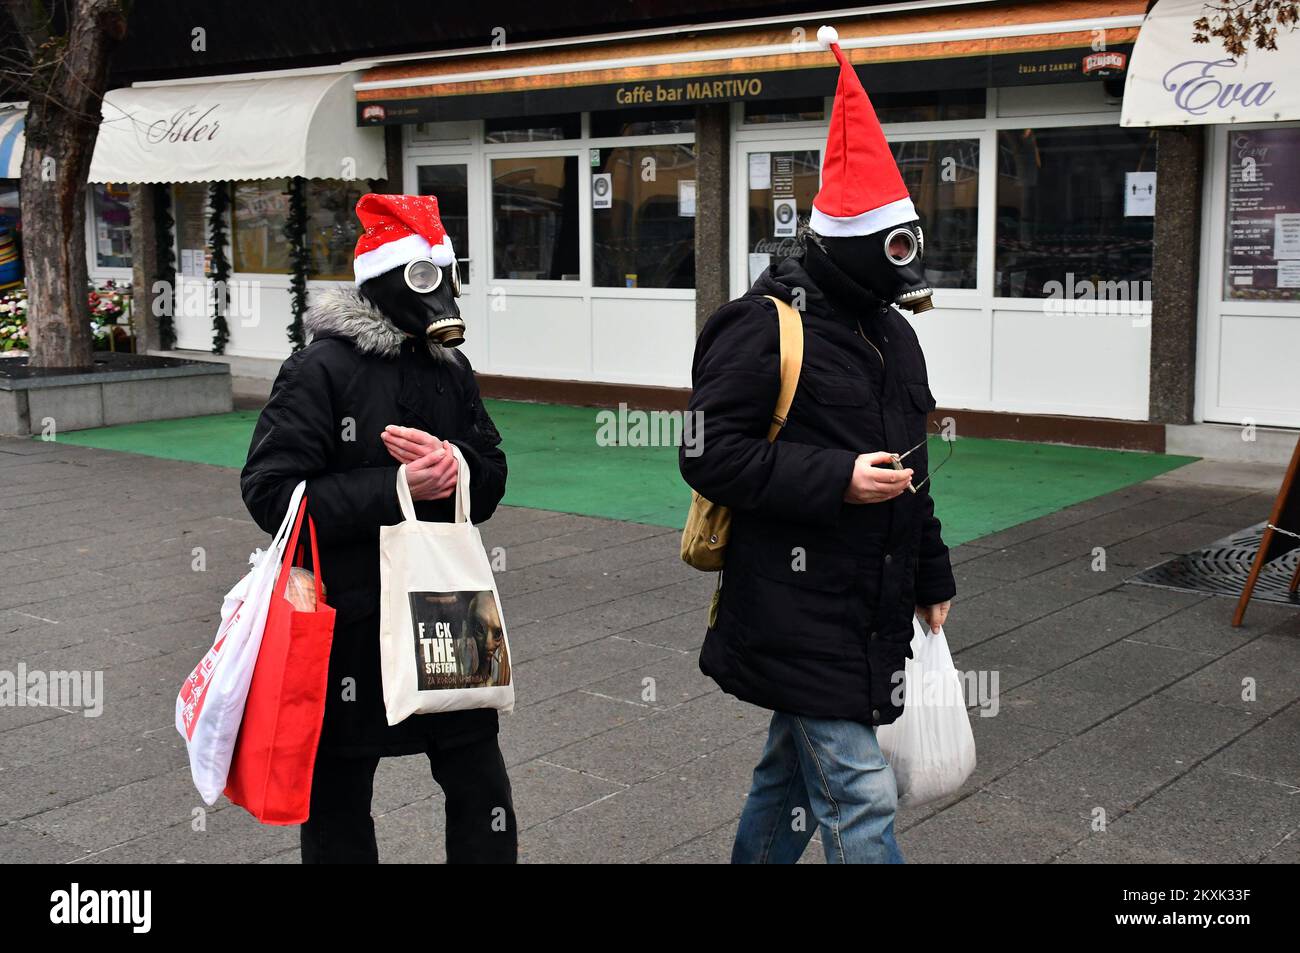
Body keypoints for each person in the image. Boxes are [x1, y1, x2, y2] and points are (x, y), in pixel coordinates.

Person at [679, 26, 956, 864]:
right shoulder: (764, 325)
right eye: (895, 245)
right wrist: (835, 477)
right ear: (856, 242)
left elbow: (914, 468)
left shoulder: (893, 334)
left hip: (869, 599)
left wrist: (932, 575)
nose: (908, 265)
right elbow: (703, 449)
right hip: (791, 598)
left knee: (791, 781)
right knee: (860, 794)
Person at [241, 193, 515, 864]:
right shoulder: (320, 368)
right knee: (338, 791)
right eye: (425, 278)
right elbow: (272, 492)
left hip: (449, 609)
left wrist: (457, 466)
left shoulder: (450, 366)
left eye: (446, 276)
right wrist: (395, 489)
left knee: (480, 781)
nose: (441, 295)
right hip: (348, 619)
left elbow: (493, 473)